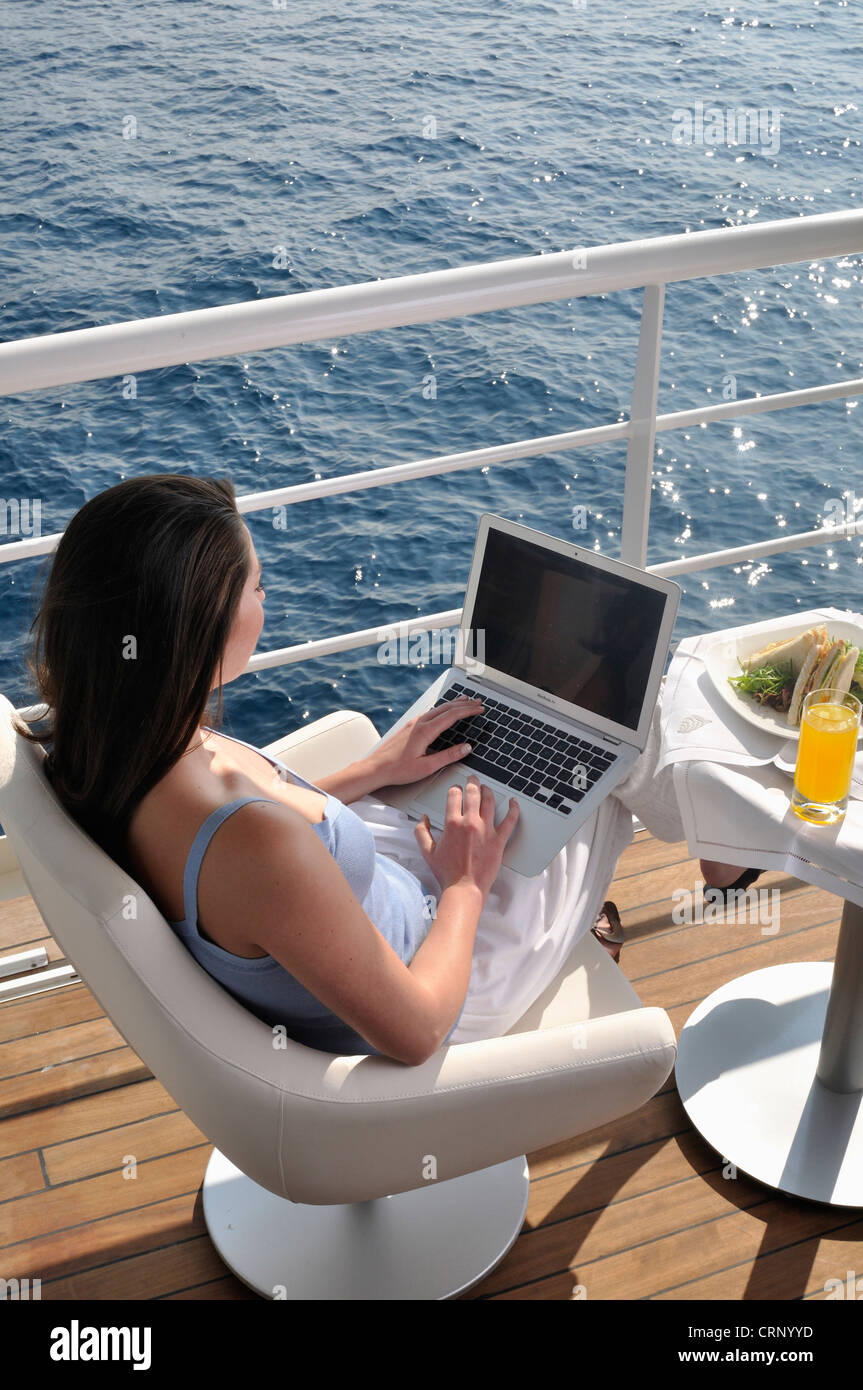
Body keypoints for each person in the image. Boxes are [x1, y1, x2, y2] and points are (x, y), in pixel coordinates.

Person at [16, 474, 751, 1065]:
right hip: (440, 970)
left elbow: (253, 867)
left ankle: (615, 887)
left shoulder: (113, 740)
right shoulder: (252, 841)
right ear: (197, 625)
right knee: (624, 735)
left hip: (357, 910)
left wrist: (373, 770)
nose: (267, 600)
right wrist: (467, 882)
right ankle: (725, 868)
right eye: (256, 588)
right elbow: (418, 1028)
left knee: (516, 739)